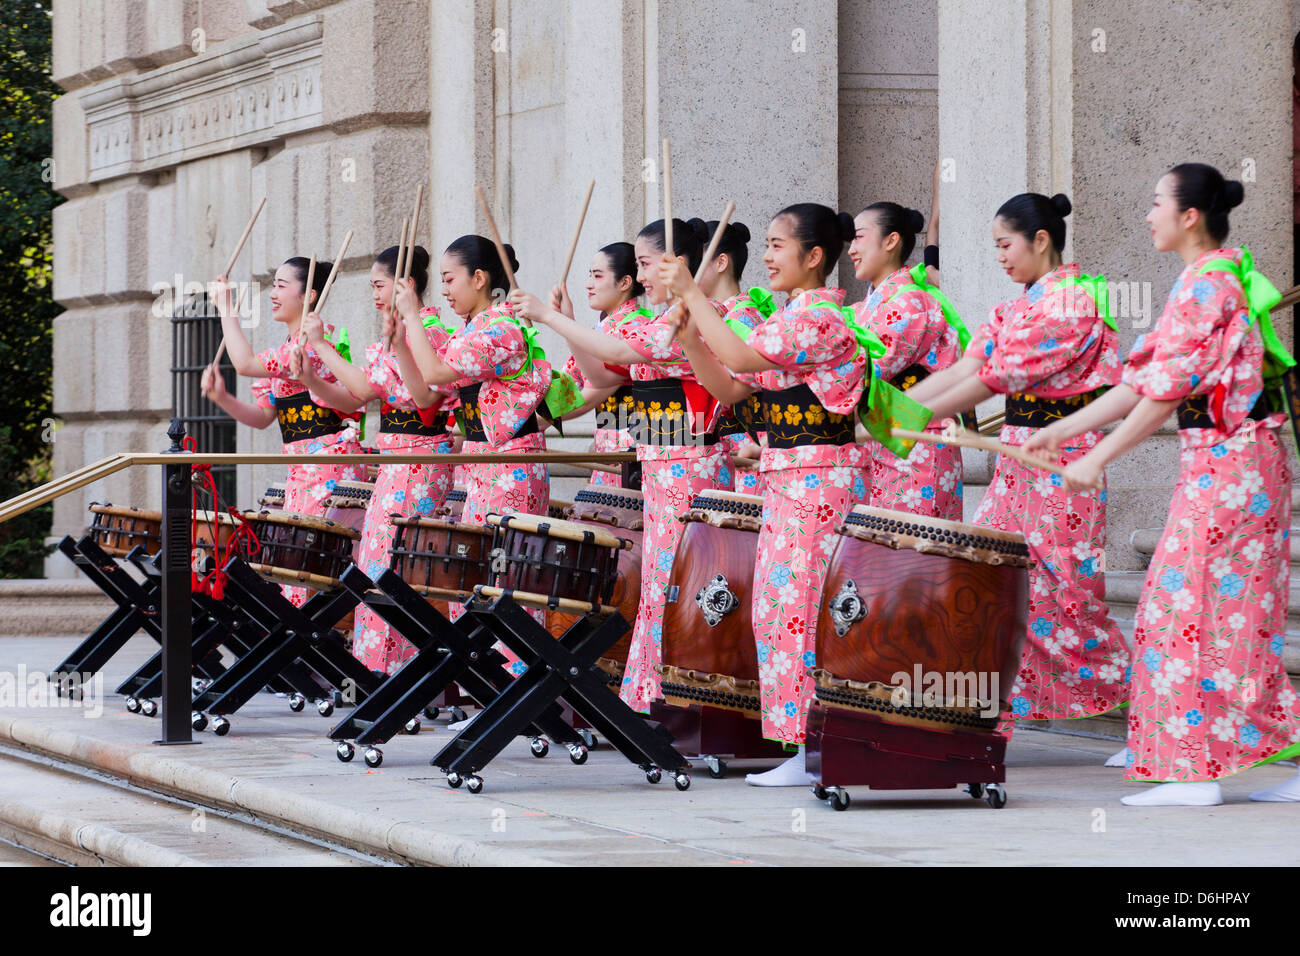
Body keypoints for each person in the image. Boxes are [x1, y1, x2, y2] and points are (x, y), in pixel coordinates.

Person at [1025, 164, 1300, 806]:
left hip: (1234, 469)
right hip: (1224, 466)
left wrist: (1100, 457)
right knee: (1227, 618)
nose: (1147, 215)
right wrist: (1063, 430)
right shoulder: (1203, 279)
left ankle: (1194, 772)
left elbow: (1166, 391)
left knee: (1181, 613)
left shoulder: (1211, 284)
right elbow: (1141, 380)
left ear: (1189, 216)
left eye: (1156, 203)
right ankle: (1230, 760)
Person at [905, 192, 1130, 748]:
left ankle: (1142, 703)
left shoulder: (1072, 302)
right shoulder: (1011, 308)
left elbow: (996, 378)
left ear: (1042, 241)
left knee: (1066, 595)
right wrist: (888, 410)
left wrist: (895, 419)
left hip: (1062, 461)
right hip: (1018, 461)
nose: (1000, 257)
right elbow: (966, 364)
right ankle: (990, 720)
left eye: (1006, 245)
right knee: (1003, 582)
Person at [660, 203, 872, 785]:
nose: (771, 257)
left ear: (814, 257)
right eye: (770, 245)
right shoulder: (787, 318)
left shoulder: (821, 319)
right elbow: (731, 384)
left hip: (820, 481)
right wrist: (693, 339)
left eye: (780, 246)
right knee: (779, 608)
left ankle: (814, 747)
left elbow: (743, 356)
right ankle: (797, 744)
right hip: (789, 481)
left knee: (801, 609)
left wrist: (694, 297)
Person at [510, 218, 730, 714]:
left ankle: (683, 700)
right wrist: (570, 330)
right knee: (655, 578)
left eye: (647, 263)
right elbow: (603, 374)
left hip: (687, 457)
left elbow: (615, 354)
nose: (642, 272)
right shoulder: (662, 319)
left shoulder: (695, 317)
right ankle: (651, 695)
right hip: (660, 460)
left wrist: (551, 317)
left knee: (678, 578)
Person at [300, 245, 459, 675]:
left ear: (405, 285)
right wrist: (316, 364)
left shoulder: (429, 333)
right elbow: (362, 391)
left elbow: (392, 394)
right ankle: (380, 671)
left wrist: (322, 346)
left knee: (394, 565)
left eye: (378, 284)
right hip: (399, 462)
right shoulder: (401, 332)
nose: (373, 292)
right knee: (377, 562)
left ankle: (401, 672)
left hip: (420, 459)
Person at [399, 236, 551, 647]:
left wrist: (413, 315)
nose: (444, 290)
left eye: (449, 279)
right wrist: (401, 336)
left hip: (509, 469)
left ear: (479, 278)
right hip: (485, 465)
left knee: (507, 587)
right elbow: (428, 395)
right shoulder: (475, 327)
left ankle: (518, 696)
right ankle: (491, 696)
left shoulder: (499, 328)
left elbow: (434, 373)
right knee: (480, 583)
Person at [203, 257, 367, 606]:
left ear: (308, 295)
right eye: (273, 284)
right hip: (303, 468)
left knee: (312, 570)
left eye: (280, 285)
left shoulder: (312, 345)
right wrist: (223, 398)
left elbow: (245, 364)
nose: (273, 293)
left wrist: (226, 308)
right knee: (301, 570)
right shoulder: (291, 346)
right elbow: (265, 417)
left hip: (326, 467)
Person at [848, 200, 967, 519]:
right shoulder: (867, 308)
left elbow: (861, 371)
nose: (851, 250)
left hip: (917, 446)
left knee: (915, 559)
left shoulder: (911, 302)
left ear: (891, 240)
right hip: (883, 443)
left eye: (859, 237)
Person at [551, 242, 644, 488]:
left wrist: (521, 424)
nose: (589, 284)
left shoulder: (637, 327)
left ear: (625, 283)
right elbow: (565, 387)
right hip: (608, 452)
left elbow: (589, 396)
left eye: (597, 276)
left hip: (632, 453)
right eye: (589, 275)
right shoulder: (597, 329)